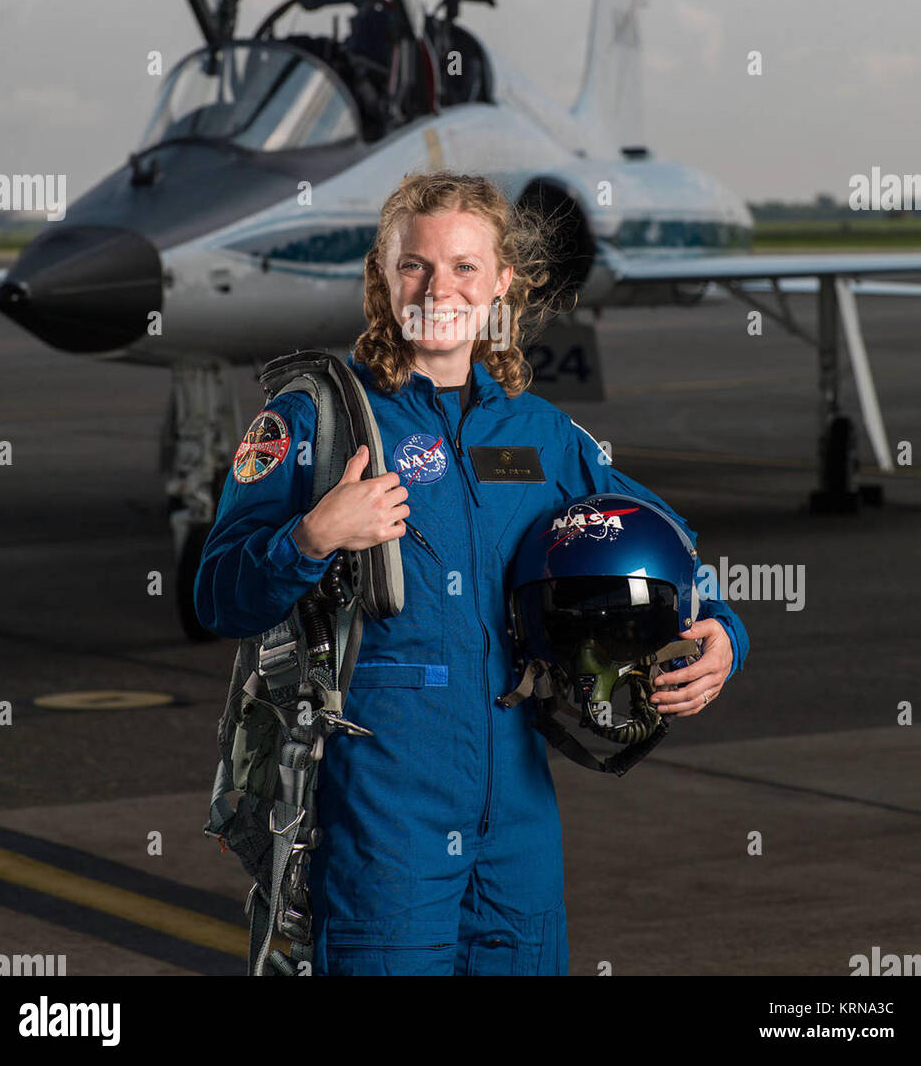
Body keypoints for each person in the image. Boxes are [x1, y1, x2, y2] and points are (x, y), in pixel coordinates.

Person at [195, 170, 749, 976]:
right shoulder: (316, 419)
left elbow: (663, 544)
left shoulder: (540, 433)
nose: (438, 287)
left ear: (501, 284)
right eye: (414, 265)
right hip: (385, 804)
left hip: (516, 808)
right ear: (382, 279)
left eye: (463, 267)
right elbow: (218, 596)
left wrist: (723, 632)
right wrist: (312, 536)